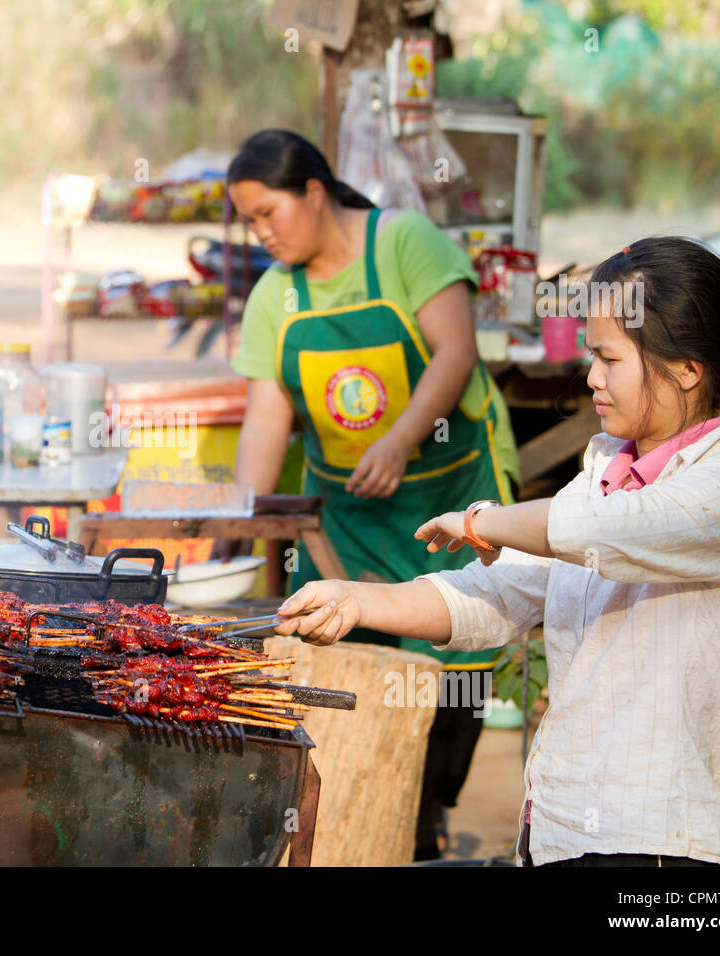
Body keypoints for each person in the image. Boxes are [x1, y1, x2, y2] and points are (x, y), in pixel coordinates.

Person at [275, 236, 720, 866]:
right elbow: (491, 597)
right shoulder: (604, 472)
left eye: (609, 359)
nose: (590, 377)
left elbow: (602, 531)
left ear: (686, 368)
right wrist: (356, 601)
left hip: (656, 854)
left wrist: (481, 519)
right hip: (558, 838)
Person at [224, 129, 520, 859]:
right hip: (348, 517)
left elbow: (456, 352)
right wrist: (231, 527)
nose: (261, 233)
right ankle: (352, 817)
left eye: (268, 214)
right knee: (343, 661)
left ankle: (425, 821)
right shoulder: (274, 296)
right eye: (249, 222)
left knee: (456, 665)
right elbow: (268, 416)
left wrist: (399, 440)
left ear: (315, 193)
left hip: (452, 495)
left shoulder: (403, 243)